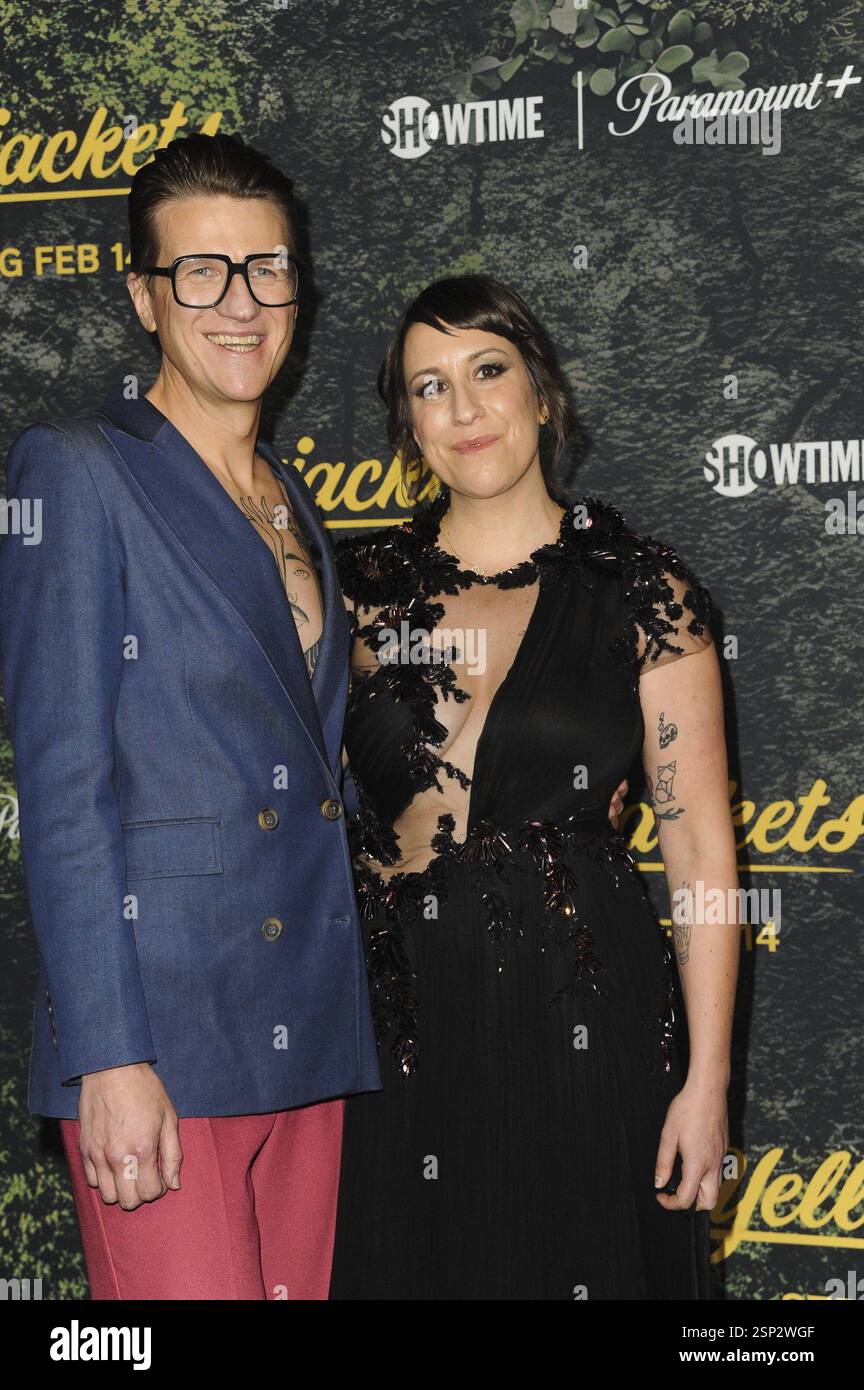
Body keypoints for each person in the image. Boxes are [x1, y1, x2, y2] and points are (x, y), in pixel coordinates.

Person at [0, 132, 382, 1300]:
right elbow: (62, 788)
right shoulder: (76, 469)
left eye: (267, 268)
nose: (241, 302)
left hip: (307, 1029)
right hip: (160, 1031)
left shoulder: (294, 501)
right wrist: (111, 1053)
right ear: (143, 297)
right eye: (201, 272)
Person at [327, 274, 739, 1300]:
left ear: (543, 392)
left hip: (582, 1014)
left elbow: (700, 857)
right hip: (400, 1034)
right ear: (405, 425)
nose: (464, 409)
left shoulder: (645, 594)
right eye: (430, 386)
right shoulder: (353, 596)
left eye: (488, 370)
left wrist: (709, 1080)